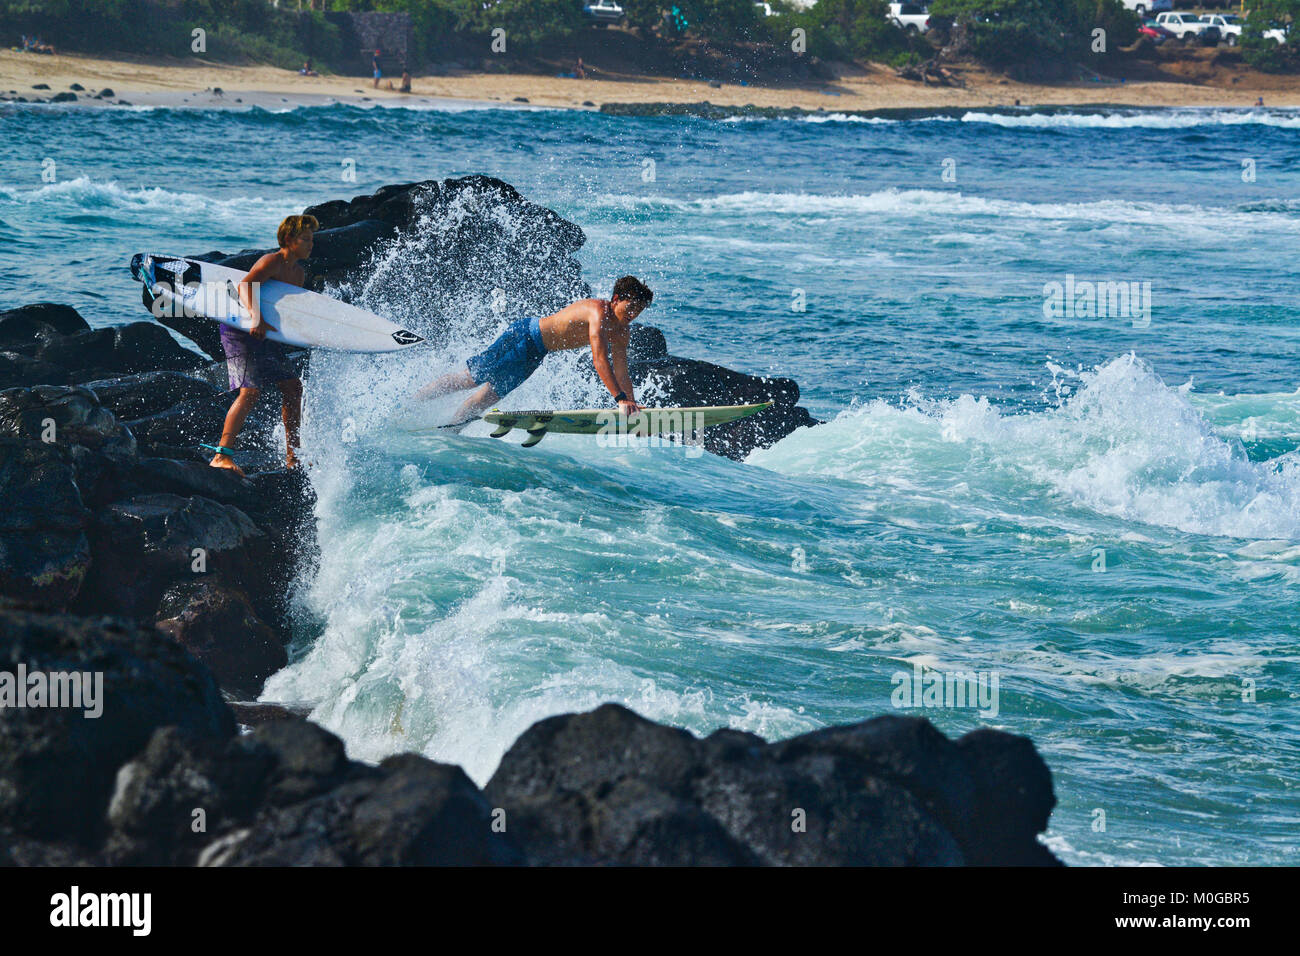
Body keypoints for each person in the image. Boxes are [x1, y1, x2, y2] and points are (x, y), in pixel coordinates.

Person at [416, 277, 654, 423]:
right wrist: (620, 399)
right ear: (615, 299)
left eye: (639, 311)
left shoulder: (622, 332)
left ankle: (452, 430)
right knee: (471, 379)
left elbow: (621, 371)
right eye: (630, 307)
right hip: (524, 336)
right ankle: (414, 402)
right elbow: (600, 360)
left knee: (489, 396)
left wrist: (630, 403)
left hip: (537, 353)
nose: (633, 315)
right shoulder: (598, 312)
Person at [205, 215, 316, 474]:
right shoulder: (271, 262)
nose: (311, 244)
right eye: (306, 239)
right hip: (240, 329)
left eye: (312, 239)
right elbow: (246, 286)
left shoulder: (298, 274)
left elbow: (287, 309)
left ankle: (293, 457)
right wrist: (256, 318)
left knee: (292, 387)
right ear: (289, 240)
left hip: (266, 333)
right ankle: (221, 455)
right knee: (250, 391)